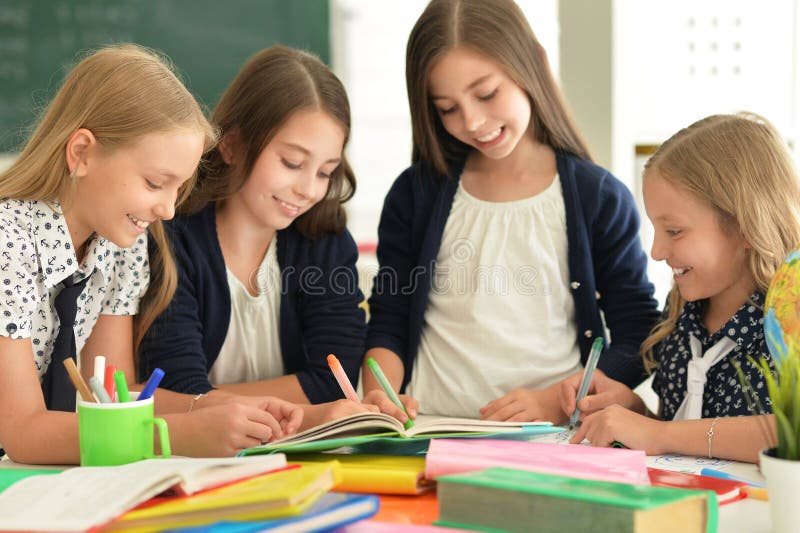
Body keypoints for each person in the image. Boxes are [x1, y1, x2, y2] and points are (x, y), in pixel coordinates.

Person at [0, 44, 302, 464]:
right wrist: (173, 436)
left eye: (178, 188)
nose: (169, 210)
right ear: (82, 153)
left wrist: (213, 408)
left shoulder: (120, 240)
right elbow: (24, 433)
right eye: (155, 182)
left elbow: (113, 395)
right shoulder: (8, 242)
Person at [362, 0, 659, 424]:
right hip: (430, 428)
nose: (473, 121)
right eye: (447, 108)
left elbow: (638, 333)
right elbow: (388, 320)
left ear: (532, 64)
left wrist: (559, 400)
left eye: (486, 94)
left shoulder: (599, 197)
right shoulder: (416, 193)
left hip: (549, 436)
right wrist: (380, 394)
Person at [138, 46, 375, 430]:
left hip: (291, 449)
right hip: (194, 453)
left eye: (325, 171)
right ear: (232, 144)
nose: (307, 190)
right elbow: (177, 387)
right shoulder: (169, 237)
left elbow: (333, 383)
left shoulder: (326, 240)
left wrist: (209, 400)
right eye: (292, 163)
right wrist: (295, 402)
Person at [564, 113, 799, 463]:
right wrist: (637, 414)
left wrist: (658, 433)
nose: (657, 252)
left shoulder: (788, 311)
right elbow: (685, 437)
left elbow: (787, 432)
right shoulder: (682, 310)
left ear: (745, 226)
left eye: (674, 232)